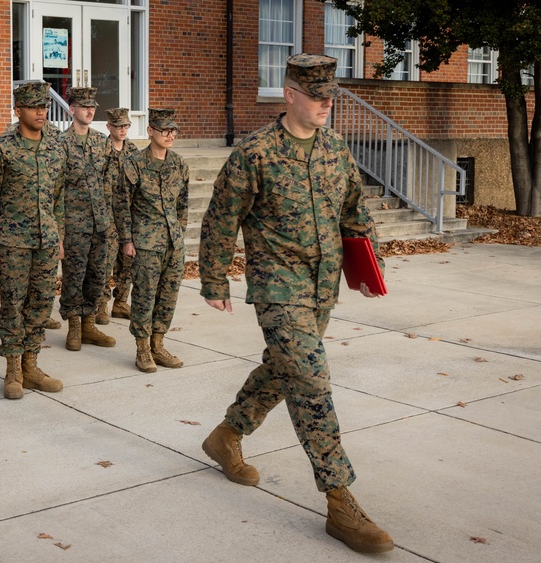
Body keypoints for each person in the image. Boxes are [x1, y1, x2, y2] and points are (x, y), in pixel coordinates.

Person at [198, 54, 393, 554]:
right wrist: (215, 279)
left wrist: (369, 269)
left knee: (284, 369)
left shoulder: (334, 147)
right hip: (277, 287)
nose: (326, 104)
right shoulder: (256, 152)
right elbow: (221, 217)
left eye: (331, 96)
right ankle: (339, 498)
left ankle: (227, 434)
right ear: (289, 95)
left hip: (321, 286)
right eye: (317, 96)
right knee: (310, 378)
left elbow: (354, 211)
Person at [0, 81, 65, 400]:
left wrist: (60, 234)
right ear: (18, 111)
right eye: (33, 107)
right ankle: (12, 369)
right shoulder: (2, 149)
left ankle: (31, 365)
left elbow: (60, 196)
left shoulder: (56, 147)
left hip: (46, 240)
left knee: (41, 303)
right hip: (12, 241)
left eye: (44, 106)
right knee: (13, 304)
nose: (41, 112)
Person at [115, 108, 189, 373]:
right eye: (164, 130)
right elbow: (122, 205)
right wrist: (127, 240)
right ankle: (143, 350)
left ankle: (158, 345)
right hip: (145, 243)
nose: (170, 135)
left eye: (173, 130)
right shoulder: (134, 164)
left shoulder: (179, 164)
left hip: (173, 244)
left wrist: (179, 233)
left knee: (168, 297)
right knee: (145, 297)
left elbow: (182, 204)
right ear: (150, 131)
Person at [57, 87, 116, 351]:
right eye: (84, 106)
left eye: (92, 106)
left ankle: (90, 324)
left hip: (99, 223)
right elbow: (56, 189)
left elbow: (108, 182)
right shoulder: (60, 143)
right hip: (73, 224)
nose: (90, 110)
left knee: (97, 275)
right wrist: (59, 230)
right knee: (74, 276)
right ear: (72, 110)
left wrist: (109, 220)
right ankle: (74, 327)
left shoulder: (102, 142)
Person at [97, 107, 139, 324]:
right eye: (119, 126)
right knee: (106, 260)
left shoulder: (134, 152)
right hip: (107, 215)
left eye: (126, 126)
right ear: (109, 127)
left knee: (129, 260)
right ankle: (101, 304)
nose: (123, 130)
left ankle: (121, 302)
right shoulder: (101, 151)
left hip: (128, 214)